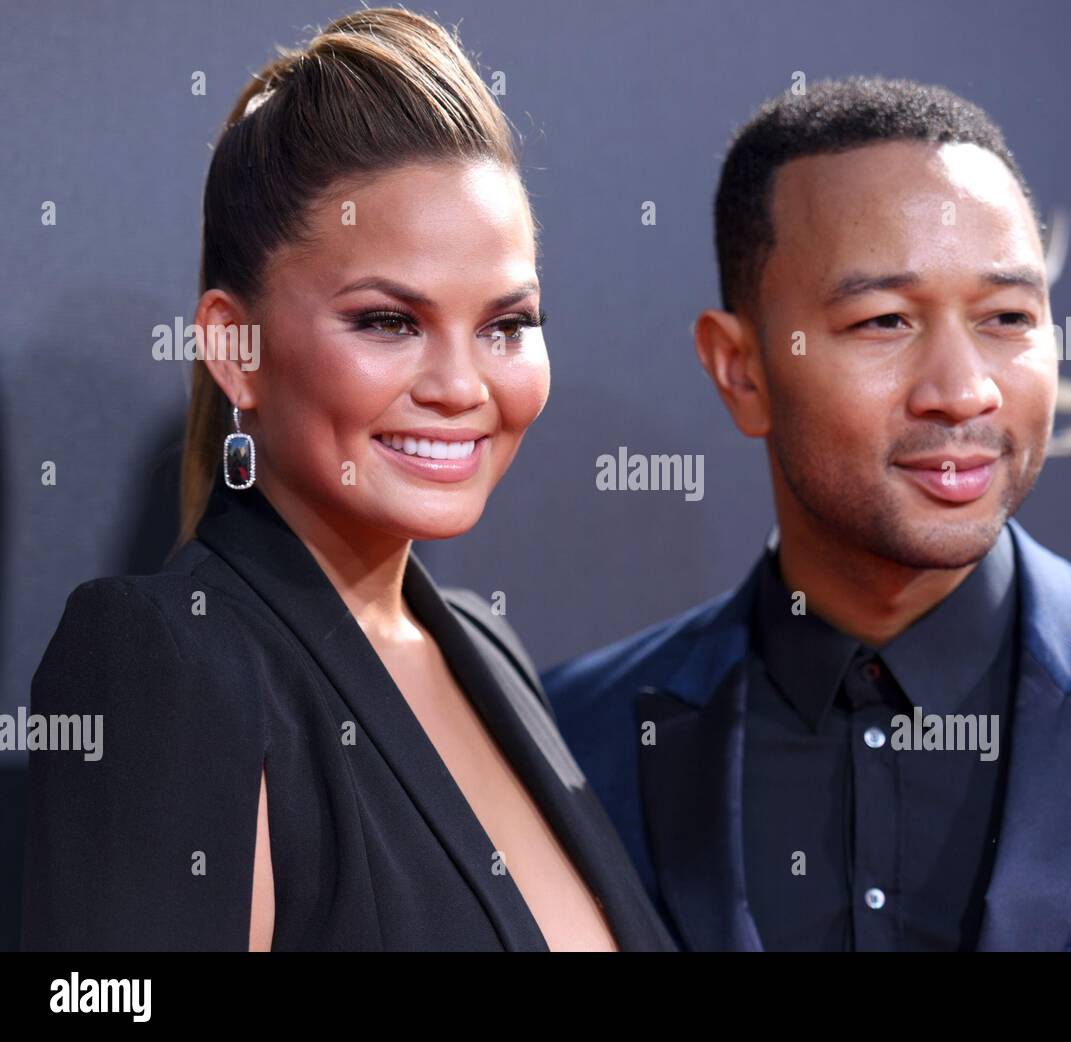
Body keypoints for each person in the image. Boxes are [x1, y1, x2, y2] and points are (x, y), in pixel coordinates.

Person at [543, 77, 1071, 952]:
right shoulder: (570, 746)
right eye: (885, 321)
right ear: (741, 370)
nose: (963, 390)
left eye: (1008, 316)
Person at [20, 8, 674, 953]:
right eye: (387, 321)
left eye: (506, 323)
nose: (460, 386)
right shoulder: (169, 662)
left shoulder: (488, 652)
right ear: (234, 347)